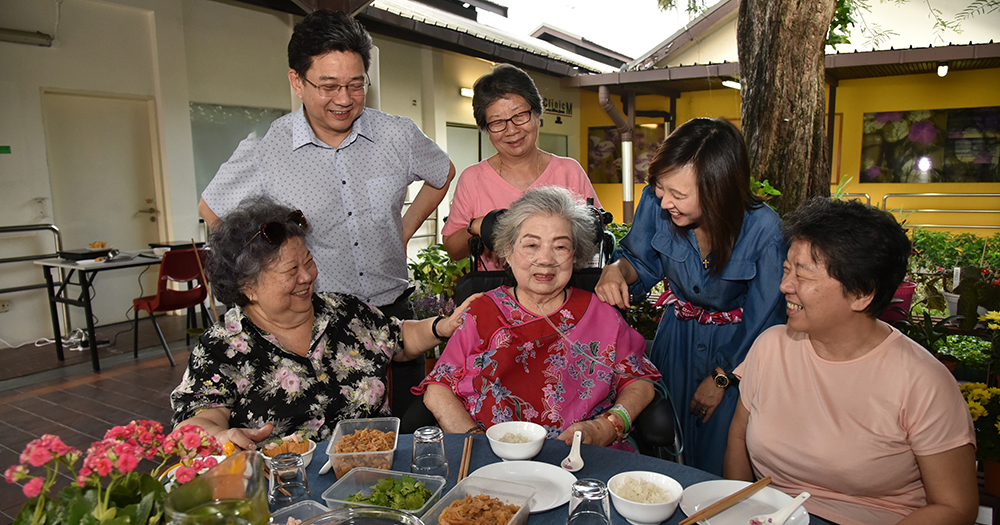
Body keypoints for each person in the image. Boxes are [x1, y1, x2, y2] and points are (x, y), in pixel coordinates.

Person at [198, 10, 456, 417]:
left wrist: (401, 232)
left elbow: (442, 173)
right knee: (337, 433)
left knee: (410, 422)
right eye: (329, 85)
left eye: (356, 85)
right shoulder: (268, 149)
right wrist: (266, 274)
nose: (344, 99)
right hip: (320, 325)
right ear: (296, 81)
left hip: (394, 309)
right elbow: (213, 212)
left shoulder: (397, 134)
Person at [724, 197, 977, 525]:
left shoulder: (922, 381)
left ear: (861, 293)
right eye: (786, 270)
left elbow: (956, 507)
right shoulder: (771, 347)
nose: (785, 286)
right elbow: (737, 438)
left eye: (803, 275)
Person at [171, 197, 475, 449]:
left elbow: (399, 338)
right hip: (288, 488)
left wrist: (443, 326)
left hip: (375, 470)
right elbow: (198, 421)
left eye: (308, 261)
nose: (307, 277)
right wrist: (221, 436)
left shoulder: (344, 309)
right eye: (291, 271)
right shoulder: (221, 346)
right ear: (247, 286)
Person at [594, 117, 786, 475]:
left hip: (738, 352)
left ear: (720, 189)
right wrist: (618, 270)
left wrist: (722, 377)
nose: (665, 202)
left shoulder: (764, 229)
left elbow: (767, 317)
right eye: (660, 188)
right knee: (663, 447)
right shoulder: (657, 202)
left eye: (679, 195)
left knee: (722, 456)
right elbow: (640, 260)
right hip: (675, 340)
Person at [417, 186, 660, 448]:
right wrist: (477, 443)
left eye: (560, 246)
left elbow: (639, 381)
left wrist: (608, 426)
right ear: (507, 252)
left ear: (576, 255)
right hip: (492, 453)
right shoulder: (481, 312)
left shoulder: (602, 314)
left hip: (582, 453)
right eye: (531, 245)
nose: (545, 259)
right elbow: (438, 389)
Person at [442, 64, 601, 270]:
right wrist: (476, 227)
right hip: (496, 296)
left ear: (537, 115)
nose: (511, 130)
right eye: (497, 122)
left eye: (519, 116)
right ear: (486, 129)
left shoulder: (570, 171)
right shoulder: (472, 179)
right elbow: (453, 251)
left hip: (565, 291)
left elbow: (596, 237)